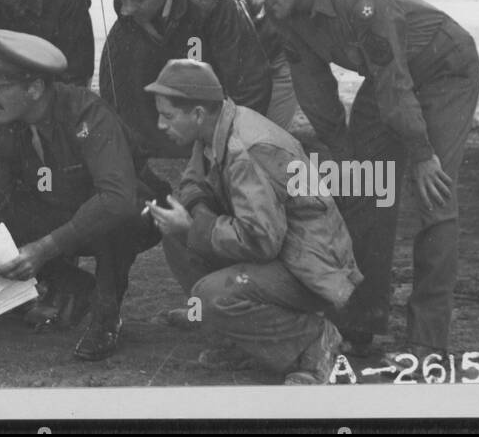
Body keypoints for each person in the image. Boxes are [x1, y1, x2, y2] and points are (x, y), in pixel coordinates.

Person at [230, 0, 479, 356]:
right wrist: (346, 155)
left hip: (444, 67)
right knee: (364, 186)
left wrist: (422, 155)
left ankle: (427, 340)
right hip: (388, 79)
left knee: (435, 197)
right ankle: (360, 319)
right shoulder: (284, 13)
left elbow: (395, 84)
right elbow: (315, 91)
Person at [145, 60, 358, 384]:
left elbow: (261, 239)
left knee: (211, 294)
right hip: (282, 253)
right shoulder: (214, 128)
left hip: (311, 267)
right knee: (176, 236)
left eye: (168, 116)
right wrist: (196, 217)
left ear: (198, 113)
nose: (160, 125)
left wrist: (193, 226)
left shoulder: (246, 148)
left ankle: (315, 341)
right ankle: (242, 340)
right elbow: (192, 183)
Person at [0, 30, 160, 361]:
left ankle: (106, 312)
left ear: (35, 88)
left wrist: (44, 249)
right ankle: (69, 284)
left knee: (114, 214)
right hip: (60, 210)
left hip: (126, 214)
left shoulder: (86, 113)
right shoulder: (1, 119)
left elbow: (117, 198)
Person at [98, 0, 271, 161]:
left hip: (267, 57)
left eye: (137, 0)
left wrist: (220, 153)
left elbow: (251, 88)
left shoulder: (218, 5)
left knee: (256, 152)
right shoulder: (130, 7)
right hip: (195, 53)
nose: (126, 9)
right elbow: (121, 92)